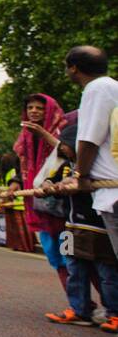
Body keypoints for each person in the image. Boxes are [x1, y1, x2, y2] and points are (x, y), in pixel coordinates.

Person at [41, 113, 118, 332]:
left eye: (68, 144)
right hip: (70, 227)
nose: (64, 149)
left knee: (107, 272)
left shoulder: (98, 167)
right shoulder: (65, 166)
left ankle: (114, 313)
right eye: (63, 144)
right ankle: (79, 309)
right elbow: (52, 183)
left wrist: (77, 182)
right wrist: (49, 184)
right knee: (72, 266)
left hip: (97, 227)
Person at [63, 46, 118, 261]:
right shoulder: (112, 86)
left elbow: (89, 139)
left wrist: (80, 175)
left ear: (74, 69)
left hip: (113, 194)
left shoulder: (96, 89)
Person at [14, 94, 67, 280]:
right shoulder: (25, 136)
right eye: (30, 108)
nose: (34, 111)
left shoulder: (64, 129)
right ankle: (77, 305)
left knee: (71, 256)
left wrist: (44, 135)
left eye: (39, 108)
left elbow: (69, 154)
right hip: (38, 205)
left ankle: (86, 305)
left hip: (64, 208)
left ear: (49, 111)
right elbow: (24, 166)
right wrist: (15, 182)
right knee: (54, 255)